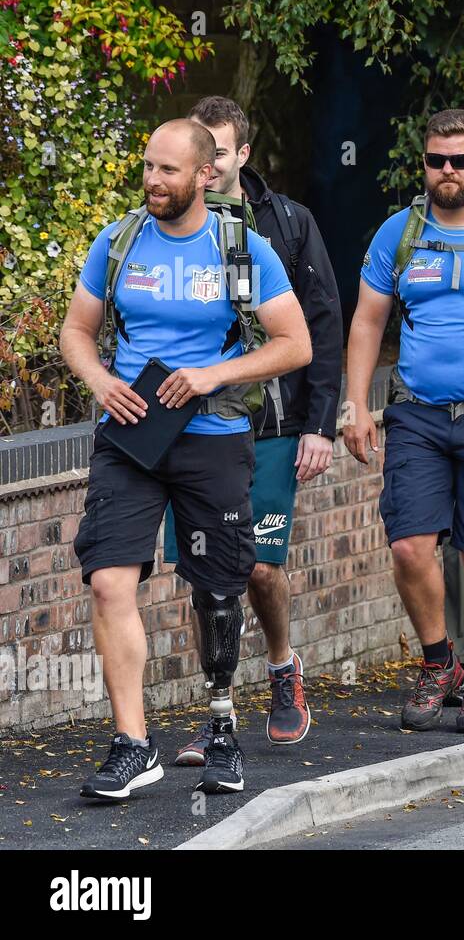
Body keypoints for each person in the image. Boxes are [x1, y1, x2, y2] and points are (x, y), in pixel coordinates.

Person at [62, 120, 310, 798]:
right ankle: (132, 744)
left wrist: (212, 374)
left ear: (206, 174)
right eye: (147, 167)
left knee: (218, 588)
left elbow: (294, 345)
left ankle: (223, 725)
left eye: (168, 170)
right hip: (131, 437)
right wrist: (101, 381)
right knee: (109, 581)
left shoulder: (242, 249)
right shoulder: (118, 243)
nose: (152, 181)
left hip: (211, 439)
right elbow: (77, 331)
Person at [163, 96, 342, 763]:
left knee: (262, 568)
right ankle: (217, 711)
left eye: (216, 151)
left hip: (270, 424)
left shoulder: (289, 225)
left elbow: (321, 326)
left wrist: (320, 423)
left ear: (241, 155)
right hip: (190, 427)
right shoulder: (162, 225)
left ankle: (281, 668)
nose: (202, 164)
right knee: (206, 576)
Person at [344, 110, 464, 734]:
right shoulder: (398, 233)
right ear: (423, 163)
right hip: (419, 413)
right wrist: (354, 404)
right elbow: (369, 321)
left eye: (459, 160)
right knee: (408, 544)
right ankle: (437, 661)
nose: (446, 171)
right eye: (435, 160)